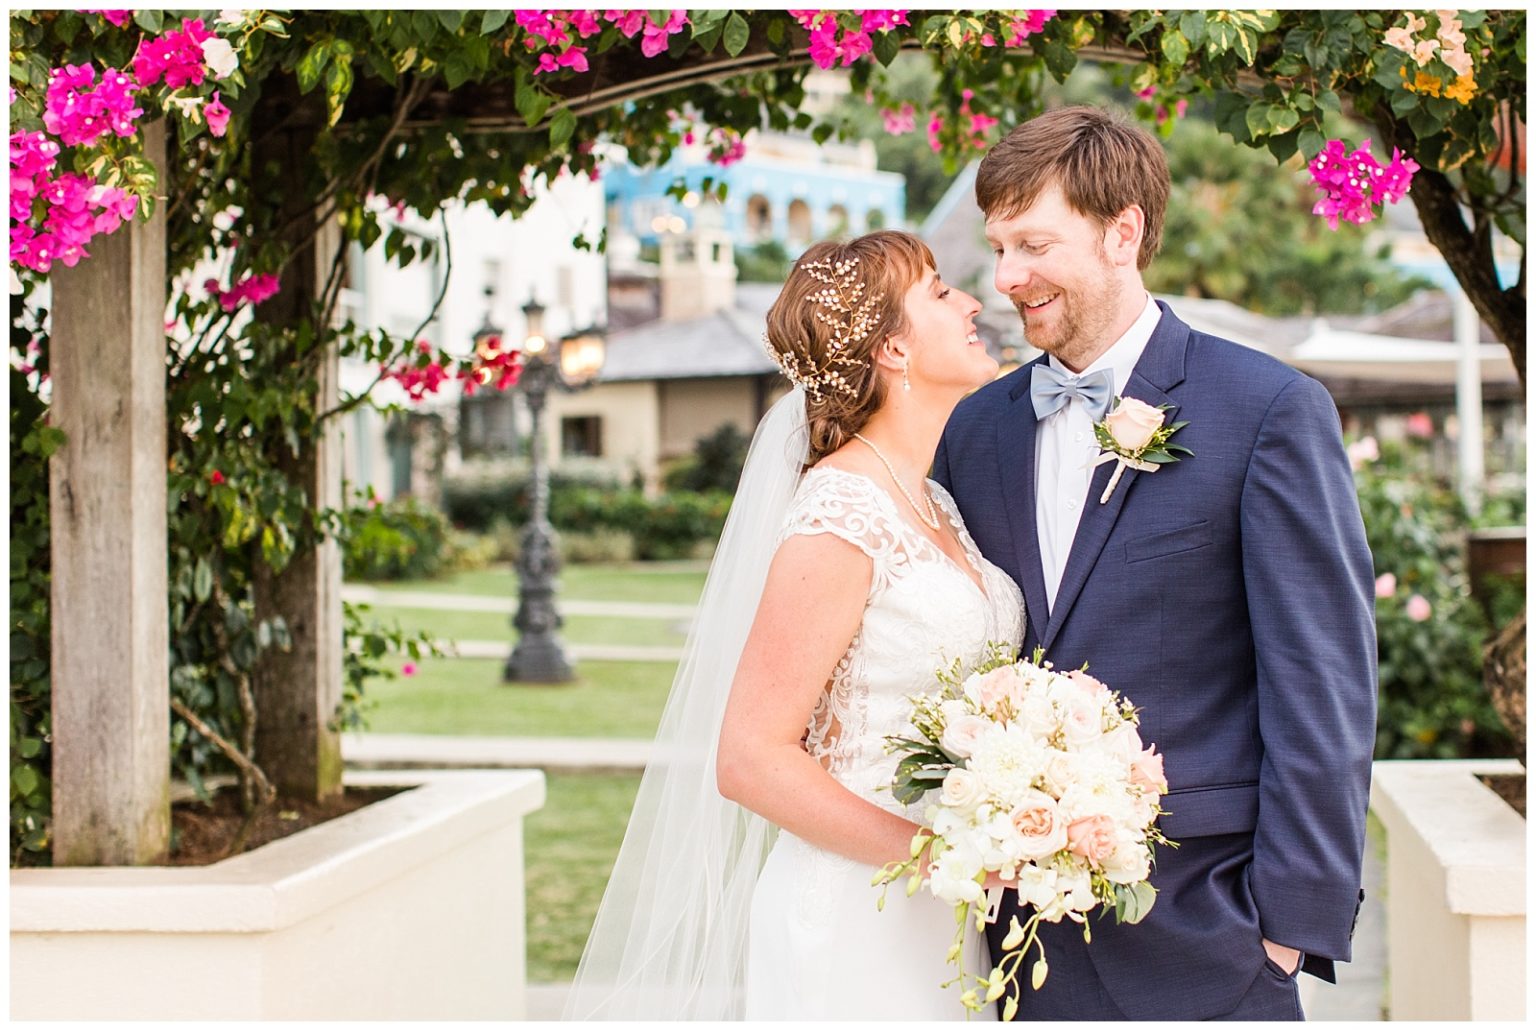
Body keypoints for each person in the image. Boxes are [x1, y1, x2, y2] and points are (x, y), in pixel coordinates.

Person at [932, 106, 1378, 1021]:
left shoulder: (1268, 410)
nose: (1007, 277)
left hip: (1211, 934)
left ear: (1121, 231)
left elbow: (1323, 683)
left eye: (1033, 244)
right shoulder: (974, 429)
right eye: (999, 247)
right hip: (1017, 942)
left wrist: (1285, 932)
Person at [564, 230, 1023, 1020]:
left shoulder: (932, 500)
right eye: (942, 292)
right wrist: (939, 855)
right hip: (852, 914)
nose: (974, 302)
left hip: (938, 910)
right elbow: (748, 757)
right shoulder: (840, 511)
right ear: (892, 350)